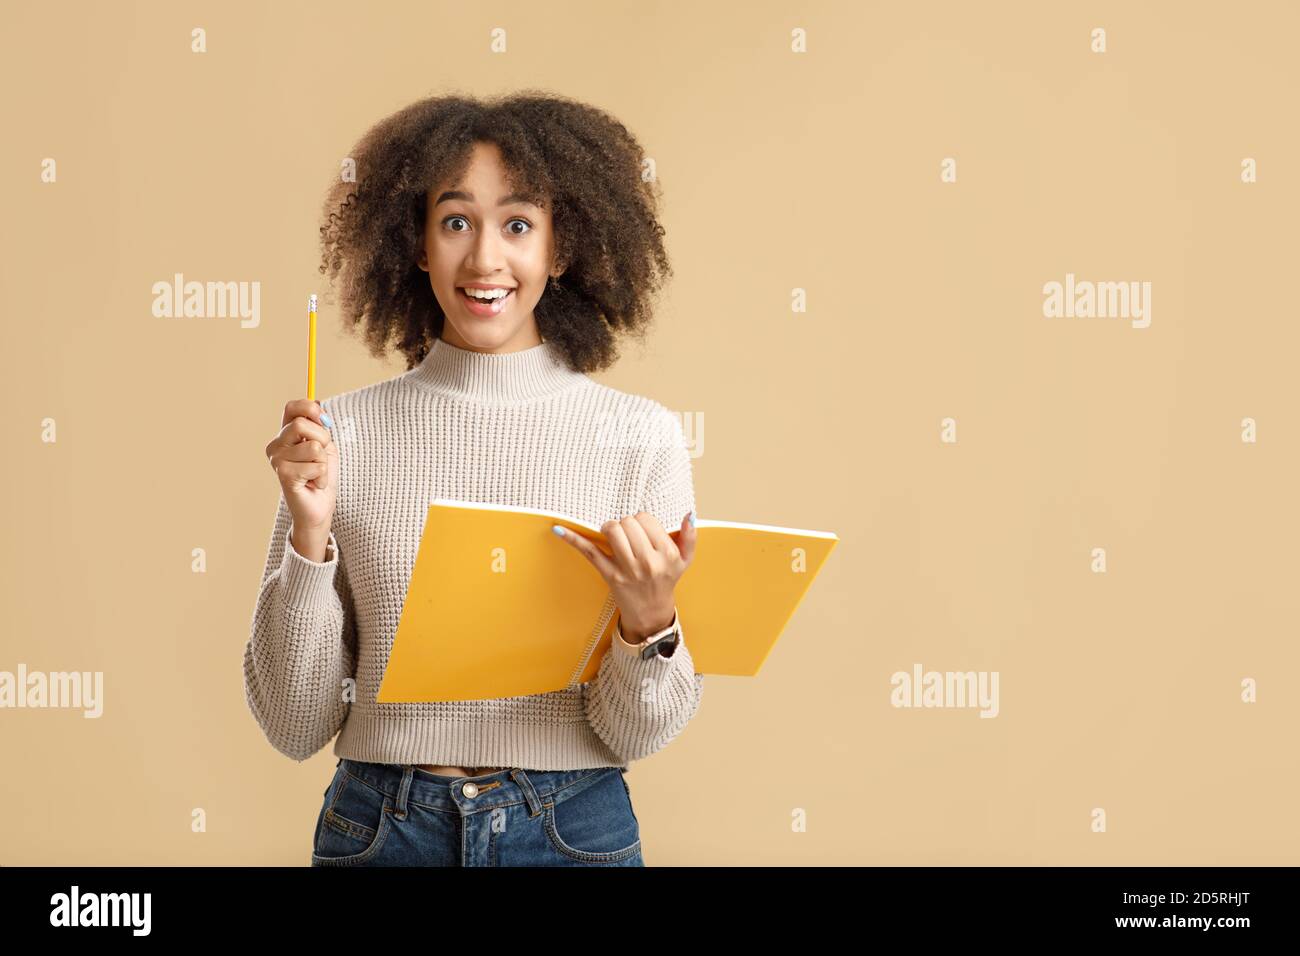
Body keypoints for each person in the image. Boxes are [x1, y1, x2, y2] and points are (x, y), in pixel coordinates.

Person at [245, 91, 703, 867]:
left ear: (560, 249)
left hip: (572, 832)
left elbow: (639, 734)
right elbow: (293, 725)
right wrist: (310, 538)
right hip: (382, 829)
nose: (485, 259)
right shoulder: (337, 436)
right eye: (456, 221)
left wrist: (649, 625)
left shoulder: (639, 437)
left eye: (518, 225)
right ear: (419, 243)